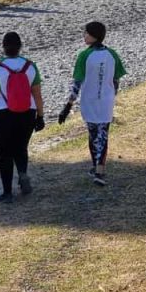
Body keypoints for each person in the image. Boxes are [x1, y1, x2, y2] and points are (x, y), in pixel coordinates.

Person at [0, 32, 44, 202]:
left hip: (2, 114)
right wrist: (40, 116)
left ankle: (7, 193)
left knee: (5, 153)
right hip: (27, 113)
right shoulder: (30, 66)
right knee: (21, 148)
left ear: (3, 47)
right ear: (20, 46)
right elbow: (37, 95)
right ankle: (23, 175)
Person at [59, 21, 126, 187]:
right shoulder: (112, 54)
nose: (84, 35)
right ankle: (98, 168)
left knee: (93, 134)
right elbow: (116, 79)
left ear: (94, 35)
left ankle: (98, 169)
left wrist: (68, 106)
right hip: (106, 101)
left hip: (89, 101)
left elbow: (77, 84)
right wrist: (111, 95)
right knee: (103, 134)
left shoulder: (84, 55)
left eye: (86, 33)